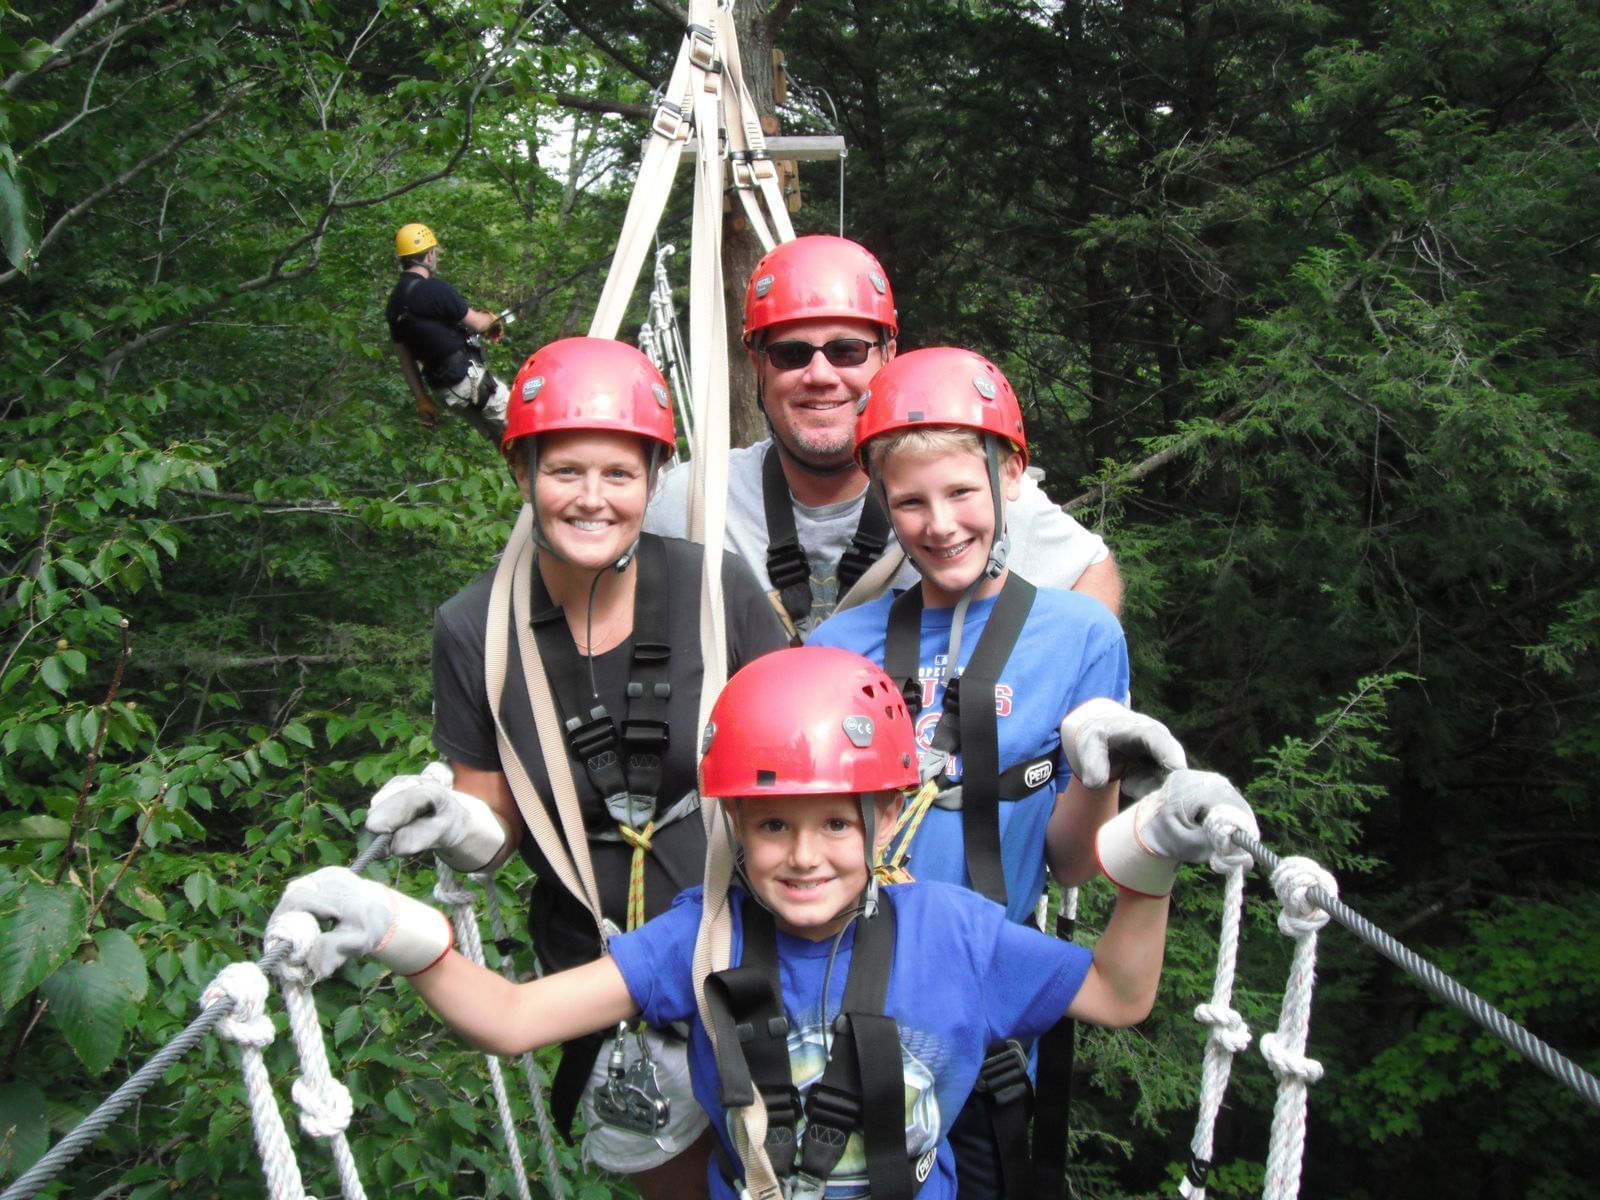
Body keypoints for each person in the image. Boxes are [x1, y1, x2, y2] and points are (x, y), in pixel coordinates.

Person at [271, 646, 1258, 1200]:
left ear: (884, 820)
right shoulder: (695, 935)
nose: (803, 854)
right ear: (732, 827)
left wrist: (1148, 864)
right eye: (773, 824)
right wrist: (404, 936)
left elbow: (1120, 996)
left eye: (837, 822)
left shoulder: (956, 934)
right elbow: (515, 1020)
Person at [361, 337, 788, 1198]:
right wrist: (447, 822)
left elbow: (794, 770)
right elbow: (490, 835)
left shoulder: (721, 592)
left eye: (619, 475)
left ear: (654, 479)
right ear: (522, 469)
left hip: (751, 934)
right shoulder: (476, 628)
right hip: (600, 961)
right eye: (565, 472)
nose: (591, 499)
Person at [806, 346, 1185, 1197]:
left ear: (1011, 475)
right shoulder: (839, 646)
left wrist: (1099, 773)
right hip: (837, 993)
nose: (939, 524)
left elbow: (1075, 861)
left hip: (983, 996)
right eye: (909, 501)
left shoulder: (1081, 635)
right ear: (884, 503)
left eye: (961, 493)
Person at [642, 234, 1123, 640]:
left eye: (847, 351)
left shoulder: (963, 495)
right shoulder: (694, 503)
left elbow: (1090, 571)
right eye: (791, 353)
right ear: (757, 366)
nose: (820, 375)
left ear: (888, 355)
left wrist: (1060, 701)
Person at [386, 222, 512, 442]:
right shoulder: (435, 289)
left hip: (444, 390)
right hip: (467, 381)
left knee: (503, 440)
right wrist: (491, 320)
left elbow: (404, 357)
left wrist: (421, 399)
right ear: (429, 255)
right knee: (520, 421)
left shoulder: (395, 302)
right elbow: (479, 324)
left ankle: (524, 471)